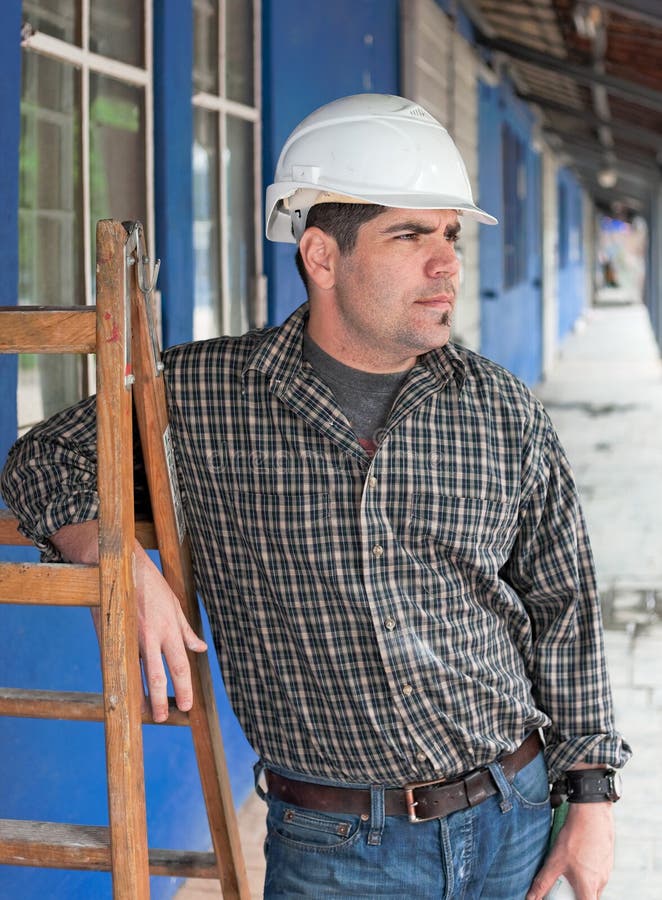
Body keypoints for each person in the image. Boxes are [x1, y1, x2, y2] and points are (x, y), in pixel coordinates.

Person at [2, 93, 630, 899]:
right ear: (321, 256)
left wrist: (591, 799)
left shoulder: (502, 410)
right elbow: (41, 457)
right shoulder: (203, 397)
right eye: (410, 235)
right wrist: (119, 558)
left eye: (451, 234)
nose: (448, 264)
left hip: (515, 818)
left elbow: (565, 606)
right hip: (336, 850)